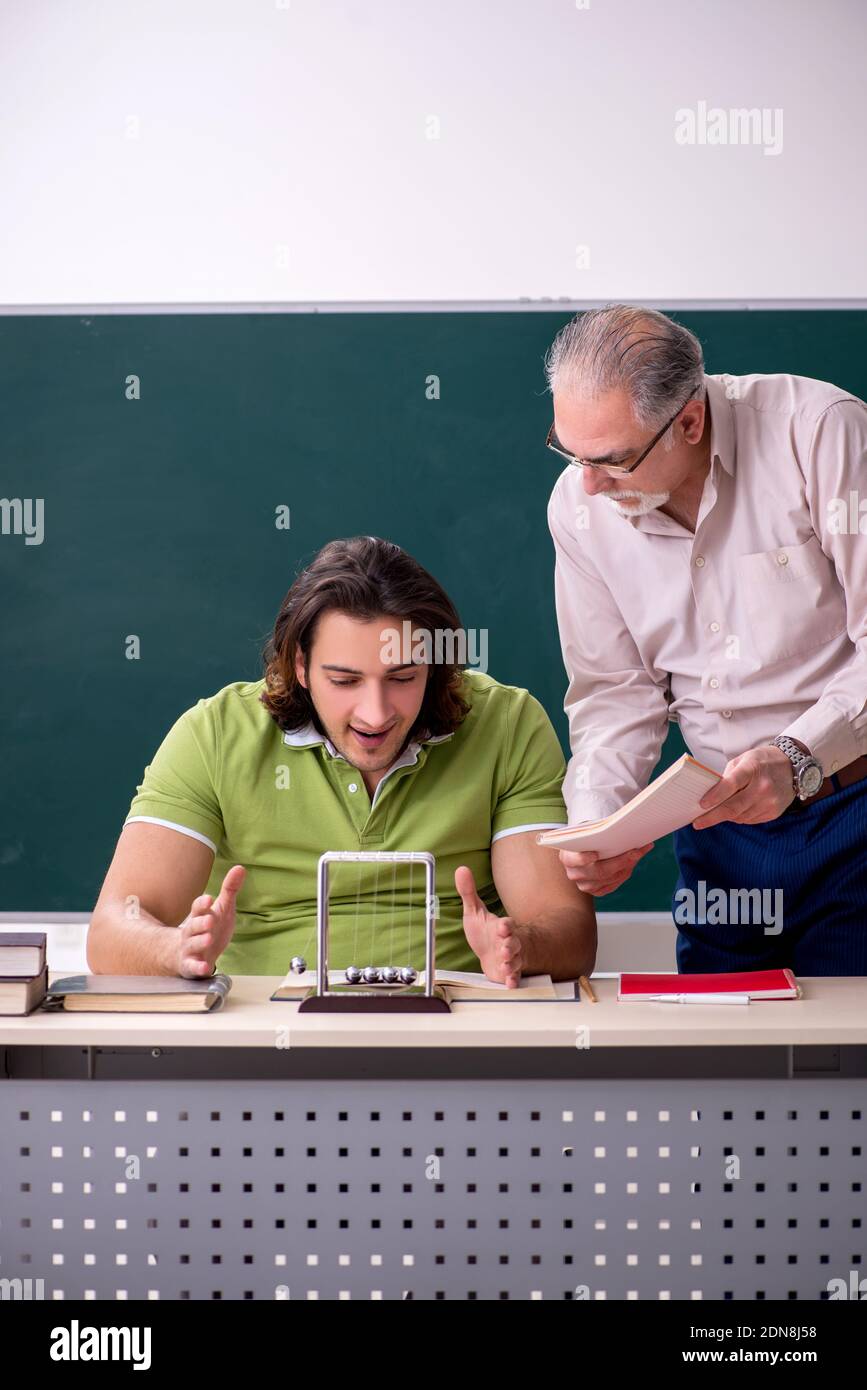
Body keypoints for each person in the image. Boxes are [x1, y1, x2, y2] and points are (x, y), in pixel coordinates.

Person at [88, 536, 595, 983]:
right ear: (301, 666)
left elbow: (569, 933)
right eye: (345, 681)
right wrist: (176, 949)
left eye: (402, 679)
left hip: (454, 1029)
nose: (375, 715)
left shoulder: (507, 725)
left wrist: (518, 948)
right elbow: (111, 933)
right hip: (263, 1037)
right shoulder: (214, 734)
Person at [545, 303, 867, 974]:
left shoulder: (817, 433)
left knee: (847, 1045)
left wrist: (797, 754)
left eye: (611, 460)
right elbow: (614, 693)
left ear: (688, 421)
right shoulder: (579, 506)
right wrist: (599, 822)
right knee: (722, 1048)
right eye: (567, 451)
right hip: (715, 832)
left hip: (852, 812)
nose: (588, 483)